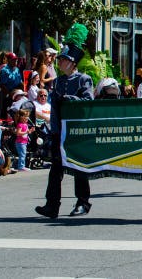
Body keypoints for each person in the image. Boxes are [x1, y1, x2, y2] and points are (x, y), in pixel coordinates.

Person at [36, 24, 95, 219]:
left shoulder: (83, 79)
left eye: (63, 59)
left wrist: (70, 100)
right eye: (60, 59)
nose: (60, 62)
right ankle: (52, 205)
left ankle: (83, 202)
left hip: (77, 131)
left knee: (79, 169)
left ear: (72, 63)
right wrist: (53, 129)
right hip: (59, 130)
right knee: (56, 170)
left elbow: (88, 101)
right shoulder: (59, 81)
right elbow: (54, 107)